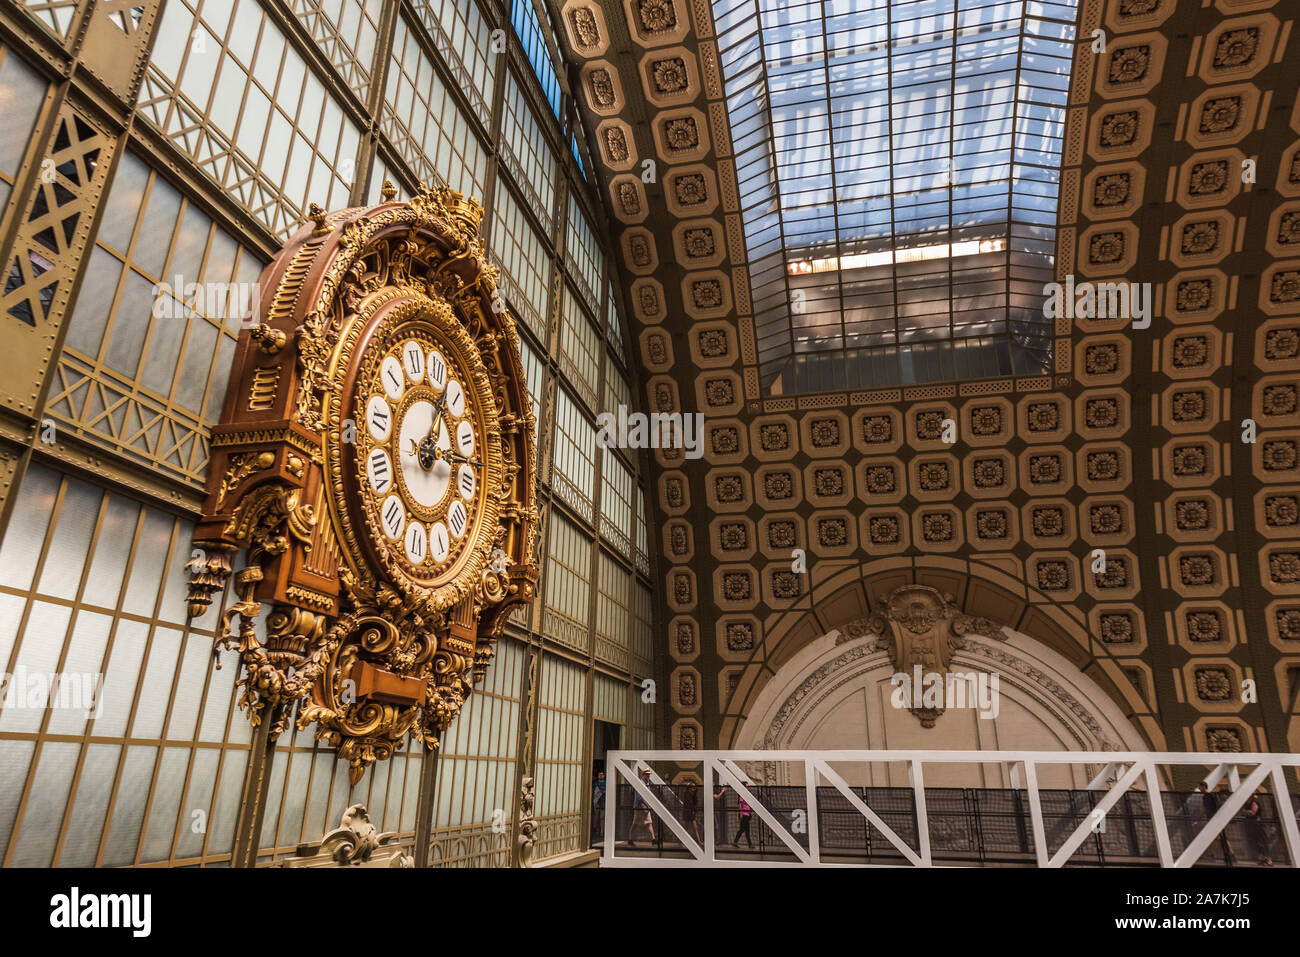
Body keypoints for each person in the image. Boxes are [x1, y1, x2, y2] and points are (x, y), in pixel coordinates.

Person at [1196, 782, 1236, 865]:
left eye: (1199, 787)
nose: (1198, 788)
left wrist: (1200, 817)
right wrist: (1200, 817)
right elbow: (1206, 809)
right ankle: (1231, 855)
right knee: (1221, 837)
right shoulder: (1207, 796)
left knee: (1214, 837)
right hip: (1214, 820)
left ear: (1203, 787)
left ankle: (1212, 855)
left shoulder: (1209, 796)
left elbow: (1211, 808)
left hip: (1214, 820)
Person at [1242, 790, 1273, 866]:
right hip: (1252, 824)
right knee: (1257, 842)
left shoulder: (1254, 801)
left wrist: (1245, 811)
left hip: (1257, 824)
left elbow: (1253, 812)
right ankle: (1263, 858)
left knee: (1262, 841)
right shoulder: (1249, 801)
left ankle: (1268, 859)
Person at [627, 768, 657, 847]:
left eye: (649, 774)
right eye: (647, 774)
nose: (648, 776)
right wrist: (648, 805)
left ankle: (653, 839)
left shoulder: (647, 784)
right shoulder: (640, 783)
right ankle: (630, 839)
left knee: (649, 823)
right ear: (643, 775)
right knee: (635, 824)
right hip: (639, 808)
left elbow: (648, 795)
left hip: (646, 808)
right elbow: (639, 797)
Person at [591, 770, 606, 844]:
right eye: (599, 775)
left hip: (603, 802)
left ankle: (601, 831)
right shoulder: (595, 783)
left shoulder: (606, 783)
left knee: (602, 818)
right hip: (596, 802)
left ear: (604, 776)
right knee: (596, 817)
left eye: (602, 775)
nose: (600, 776)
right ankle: (595, 830)